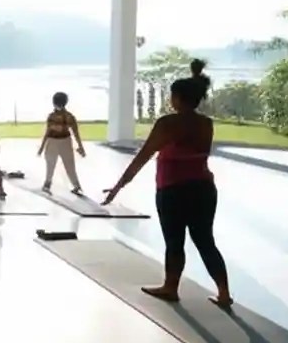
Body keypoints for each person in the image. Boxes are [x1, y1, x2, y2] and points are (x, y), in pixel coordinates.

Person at [102, 60, 231, 308]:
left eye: (172, 95)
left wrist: (118, 186)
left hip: (173, 190)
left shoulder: (168, 124)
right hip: (203, 189)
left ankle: (171, 287)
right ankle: (224, 292)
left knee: (174, 241)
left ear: (178, 98)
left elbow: (143, 156)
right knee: (205, 240)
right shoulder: (206, 123)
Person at [38, 91, 86, 194]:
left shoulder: (52, 116)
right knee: (68, 165)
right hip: (64, 141)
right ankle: (76, 185)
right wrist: (80, 147)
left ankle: (48, 184)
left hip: (54, 142)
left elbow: (48, 132)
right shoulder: (70, 116)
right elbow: (76, 133)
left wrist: (41, 148)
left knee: (53, 164)